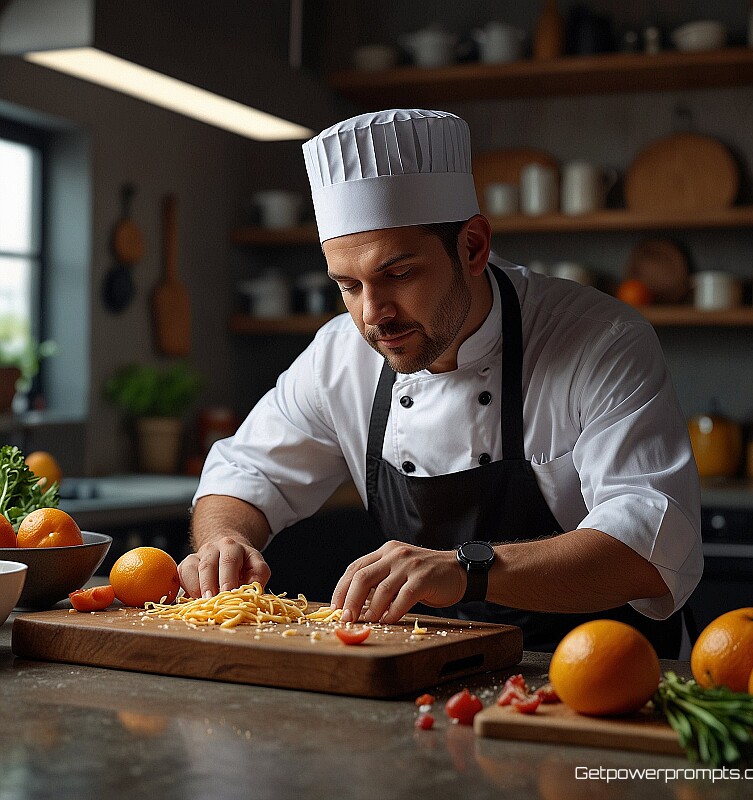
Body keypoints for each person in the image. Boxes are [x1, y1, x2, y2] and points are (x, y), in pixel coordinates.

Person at [181, 109, 702, 657]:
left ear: (472, 246)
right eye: (349, 285)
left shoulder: (601, 341)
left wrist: (467, 569)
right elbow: (247, 471)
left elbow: (649, 543)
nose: (373, 315)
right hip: (436, 670)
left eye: (398, 274)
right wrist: (223, 540)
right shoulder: (339, 356)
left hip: (602, 672)